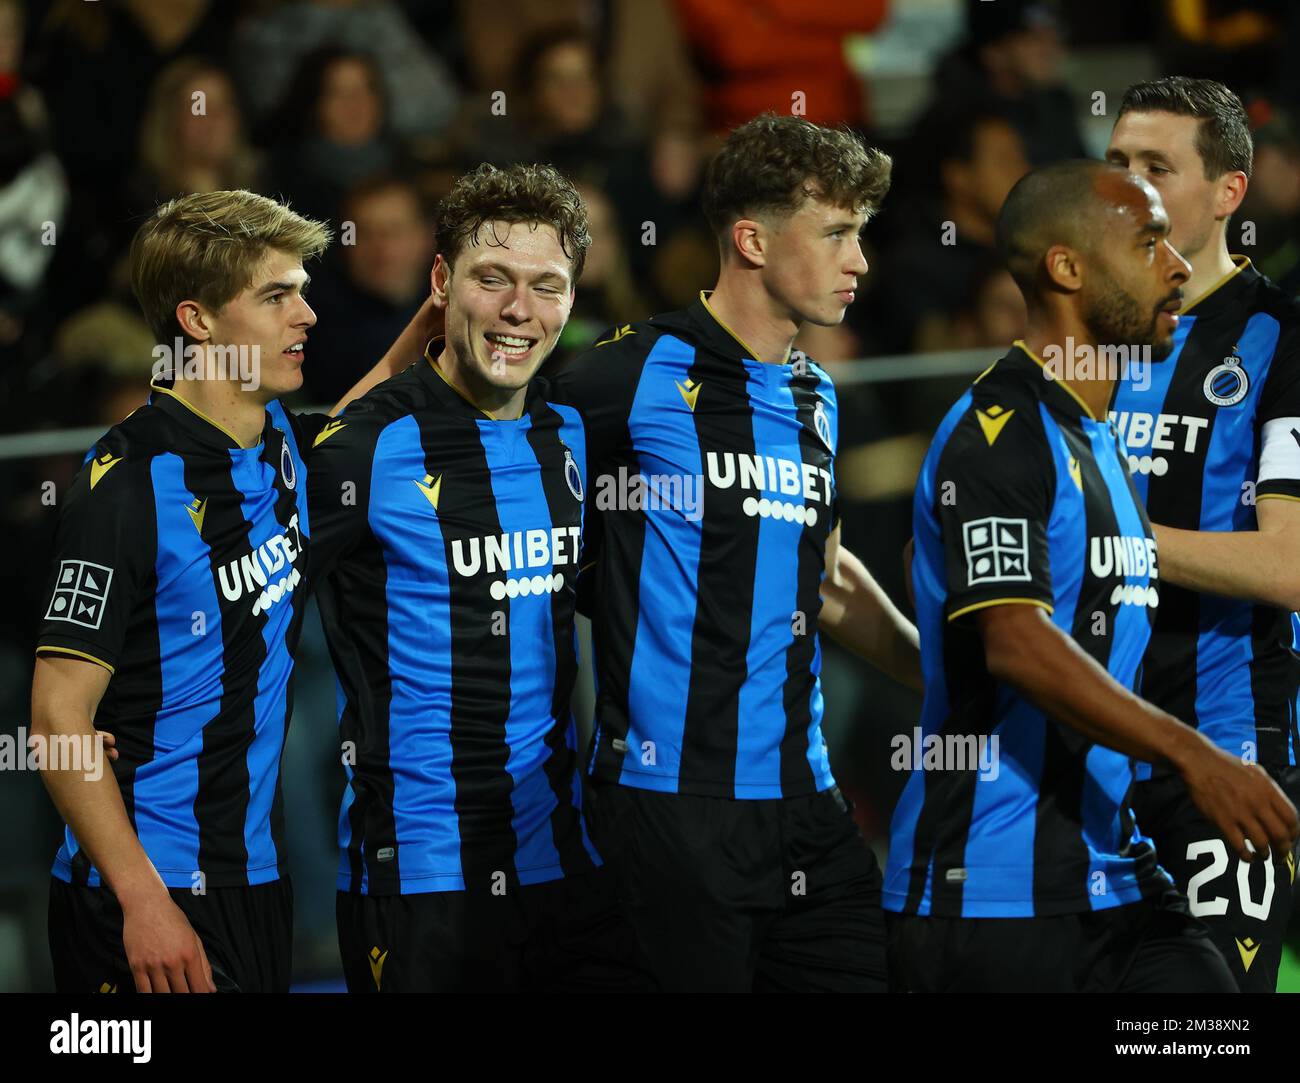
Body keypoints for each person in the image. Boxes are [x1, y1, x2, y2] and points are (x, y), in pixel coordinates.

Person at [886, 159, 1296, 993]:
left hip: (1115, 877)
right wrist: (1197, 756)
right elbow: (1015, 642)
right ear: (1067, 269)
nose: (1179, 264)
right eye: (1148, 244)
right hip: (990, 900)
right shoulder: (997, 432)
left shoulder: (1100, 445)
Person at [550, 113, 922, 992]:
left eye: (860, 235)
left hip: (809, 798)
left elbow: (821, 571)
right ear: (751, 240)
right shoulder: (625, 376)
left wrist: (942, 670)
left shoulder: (815, 395)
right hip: (670, 805)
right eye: (836, 233)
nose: (860, 261)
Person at [30, 189, 401, 993]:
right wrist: (143, 900)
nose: (306, 316)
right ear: (198, 322)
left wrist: (441, 312)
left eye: (302, 291)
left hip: (256, 886)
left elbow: (376, 401)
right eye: (276, 296)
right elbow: (56, 718)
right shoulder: (127, 487)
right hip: (144, 897)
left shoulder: (286, 455)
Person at [307, 163, 653, 992]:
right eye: (490, 279)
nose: (518, 311)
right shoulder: (365, 447)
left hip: (569, 860)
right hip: (423, 878)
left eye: (546, 286)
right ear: (441, 284)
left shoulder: (573, 433)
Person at [1106, 76, 1300, 992]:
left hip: (1226, 761)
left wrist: (1119, 540)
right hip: (1082, 753)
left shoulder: (1281, 341)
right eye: (1116, 164)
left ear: (1228, 192)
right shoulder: (1084, 335)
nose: (1130, 187)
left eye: (1157, 167)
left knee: (1203, 1028)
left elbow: (1291, 564)